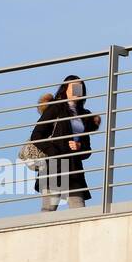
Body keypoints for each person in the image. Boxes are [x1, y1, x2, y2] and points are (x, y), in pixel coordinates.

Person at [31, 75, 100, 212]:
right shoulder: (55, 108)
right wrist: (54, 153)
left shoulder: (85, 115)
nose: (77, 90)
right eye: (74, 87)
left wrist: (80, 147)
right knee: (48, 210)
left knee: (79, 211)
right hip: (53, 166)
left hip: (74, 168)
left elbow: (87, 149)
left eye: (80, 87)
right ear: (65, 89)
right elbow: (37, 135)